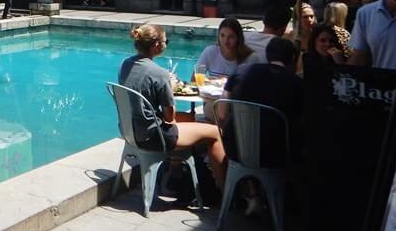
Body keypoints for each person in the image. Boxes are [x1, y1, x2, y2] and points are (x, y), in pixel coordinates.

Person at [118, 24, 226, 190]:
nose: (166, 44)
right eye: (165, 41)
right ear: (156, 45)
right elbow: (169, 118)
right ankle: (223, 189)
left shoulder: (126, 64)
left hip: (131, 130)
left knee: (191, 118)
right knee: (215, 132)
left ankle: (176, 172)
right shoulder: (159, 74)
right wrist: (167, 85)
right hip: (152, 136)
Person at [222, 37, 303, 214]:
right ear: (293, 59)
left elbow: (222, 112)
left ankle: (252, 195)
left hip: (237, 150)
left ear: (267, 56)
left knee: (240, 132)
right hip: (276, 155)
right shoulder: (296, 84)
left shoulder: (242, 71)